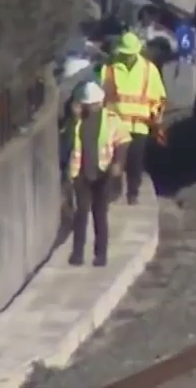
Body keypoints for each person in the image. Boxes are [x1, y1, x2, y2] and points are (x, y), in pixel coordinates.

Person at [65, 81, 132, 267]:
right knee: (81, 213)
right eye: (88, 105)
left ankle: (100, 255)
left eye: (94, 104)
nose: (91, 108)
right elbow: (69, 142)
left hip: (103, 174)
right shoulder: (77, 121)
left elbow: (124, 140)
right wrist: (73, 118)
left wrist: (118, 162)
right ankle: (77, 254)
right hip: (81, 174)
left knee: (100, 214)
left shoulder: (111, 120)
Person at [101, 32, 168, 205]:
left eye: (130, 54)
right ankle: (113, 192)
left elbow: (159, 97)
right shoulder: (109, 69)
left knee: (135, 162)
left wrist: (156, 120)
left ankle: (133, 193)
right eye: (124, 54)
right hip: (115, 124)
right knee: (115, 160)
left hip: (140, 125)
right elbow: (101, 97)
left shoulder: (148, 70)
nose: (127, 57)